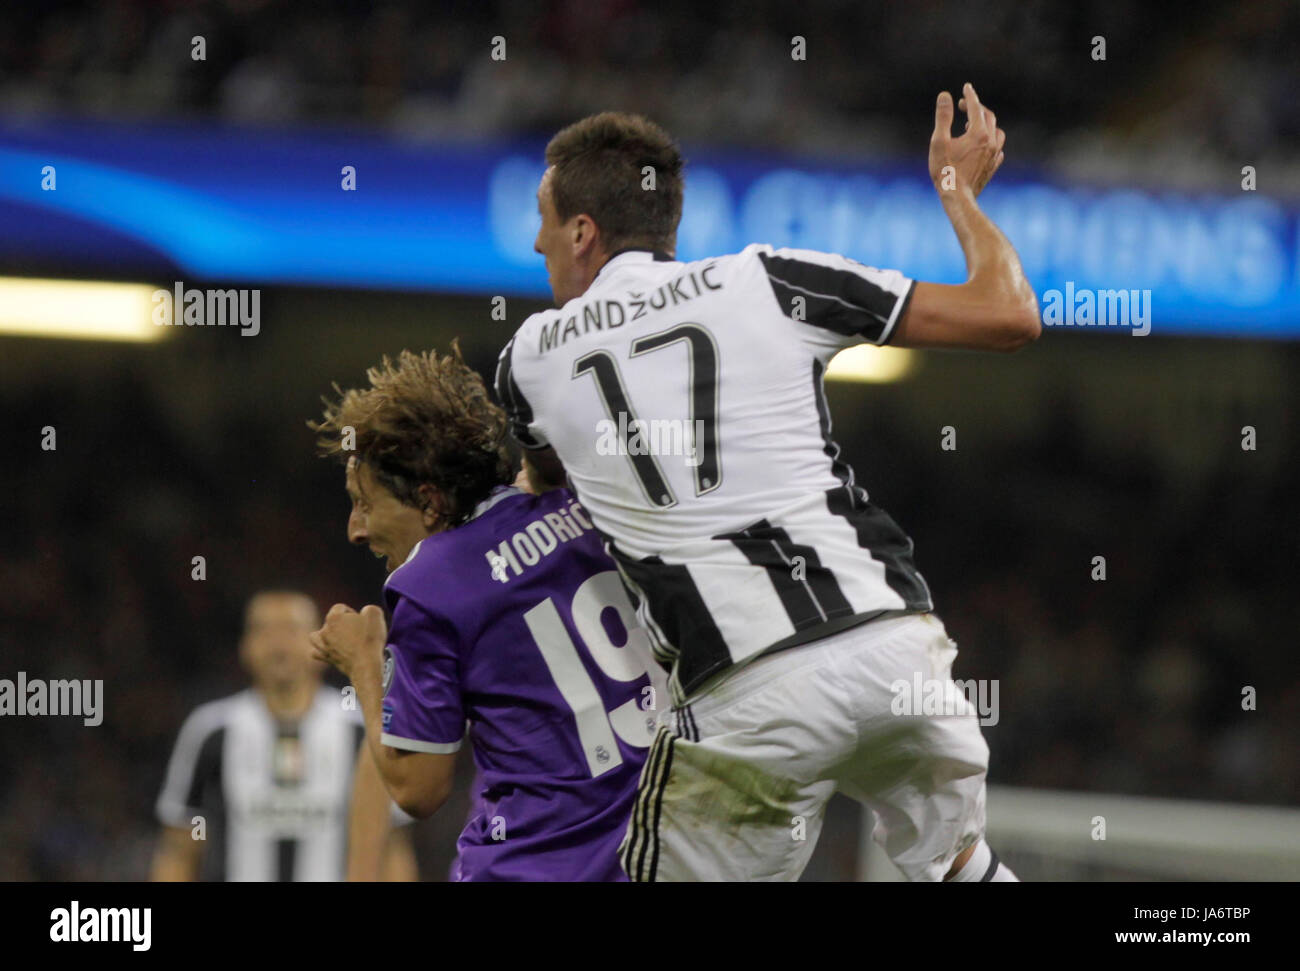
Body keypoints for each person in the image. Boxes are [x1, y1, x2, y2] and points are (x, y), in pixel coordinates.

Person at [495, 86, 1037, 881]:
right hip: (895, 647)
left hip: (747, 689)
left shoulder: (530, 360)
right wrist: (957, 191)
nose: (540, 251)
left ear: (582, 232)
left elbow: (541, 485)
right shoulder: (773, 276)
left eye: (544, 232)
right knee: (960, 867)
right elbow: (1008, 312)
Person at [308, 346, 665, 881]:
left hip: (533, 863)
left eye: (365, 503)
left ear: (429, 502)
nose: (355, 529)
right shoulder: (578, 509)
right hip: (660, 847)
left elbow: (417, 790)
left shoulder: (428, 585)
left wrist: (362, 662)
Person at [152, 589, 416, 881]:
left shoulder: (360, 731)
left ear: (320, 643)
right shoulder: (211, 730)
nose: (278, 645)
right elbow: (178, 849)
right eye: (263, 631)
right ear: (245, 646)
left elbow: (392, 847)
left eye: (291, 630)